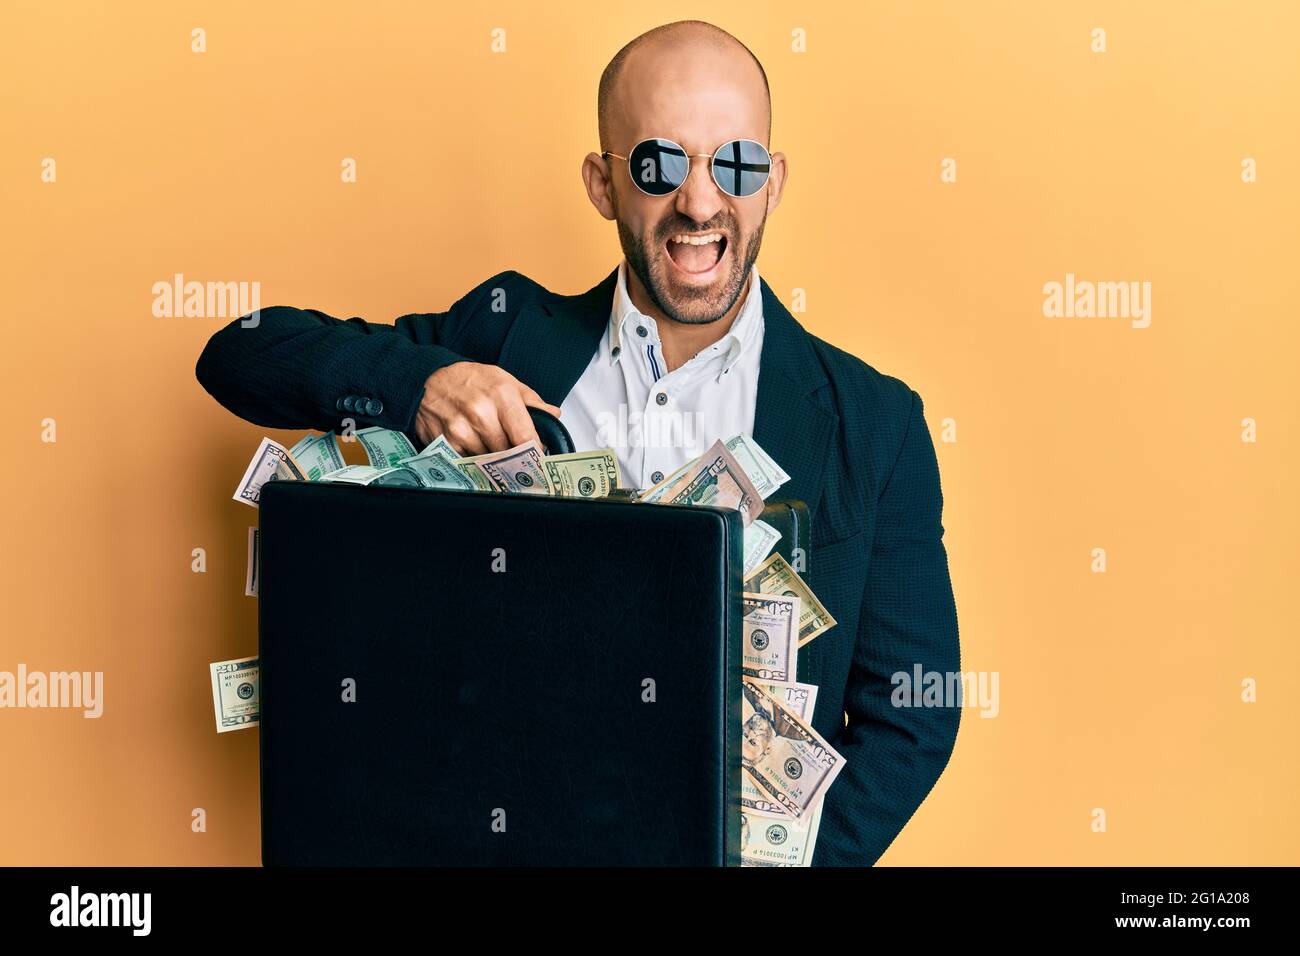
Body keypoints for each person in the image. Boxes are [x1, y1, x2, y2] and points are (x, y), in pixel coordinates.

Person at [196, 19, 961, 865]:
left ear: (773, 182)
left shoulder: (874, 424)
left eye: (735, 163)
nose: (701, 203)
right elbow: (239, 354)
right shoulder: (506, 336)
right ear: (603, 183)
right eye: (658, 164)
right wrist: (417, 384)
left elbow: (913, 716)